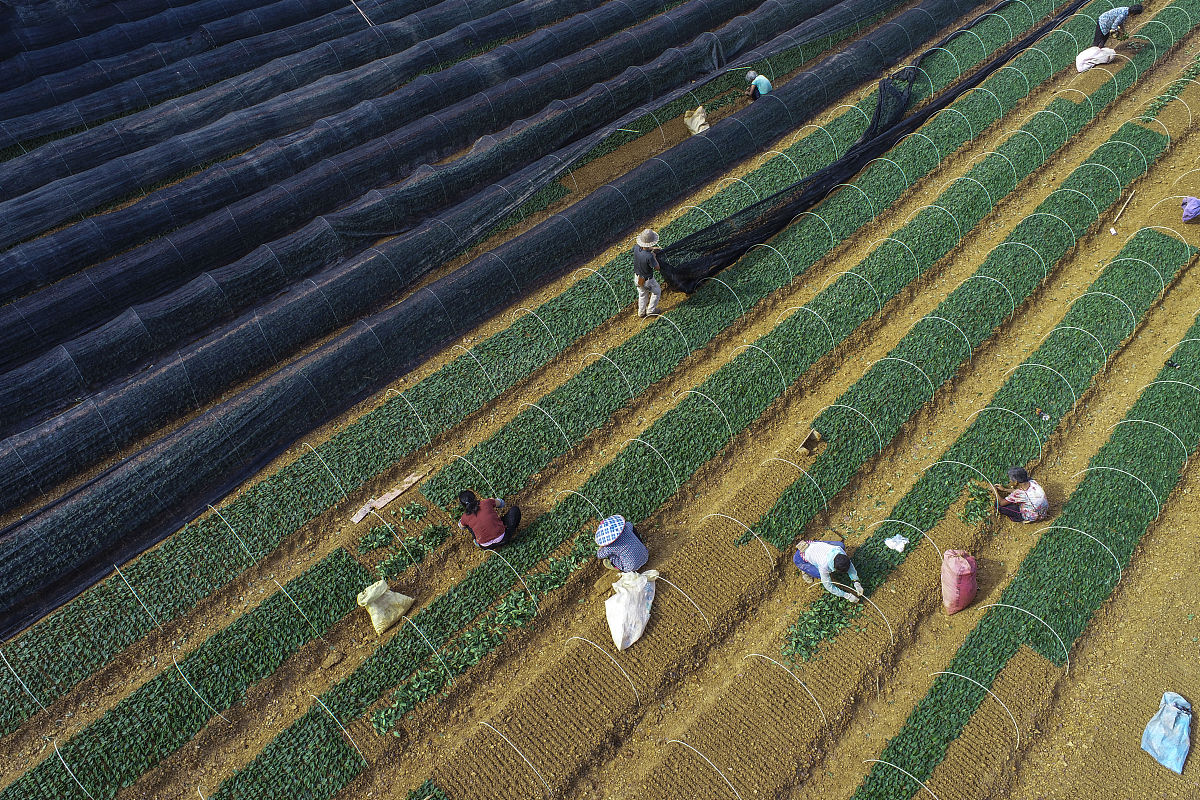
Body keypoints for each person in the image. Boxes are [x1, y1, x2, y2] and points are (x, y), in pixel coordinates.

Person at [794, 539, 863, 602]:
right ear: (835, 568)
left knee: (841, 545)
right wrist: (847, 596)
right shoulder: (823, 567)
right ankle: (804, 571)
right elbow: (828, 586)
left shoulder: (839, 550)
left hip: (814, 545)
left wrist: (856, 582)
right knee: (819, 574)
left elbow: (849, 565)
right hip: (800, 556)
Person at [633, 228, 662, 318]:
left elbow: (643, 249)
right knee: (657, 292)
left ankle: (641, 312)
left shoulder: (636, 248)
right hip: (647, 280)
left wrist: (652, 248)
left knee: (642, 294)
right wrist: (654, 256)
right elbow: (657, 267)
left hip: (638, 278)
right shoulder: (649, 256)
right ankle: (651, 311)